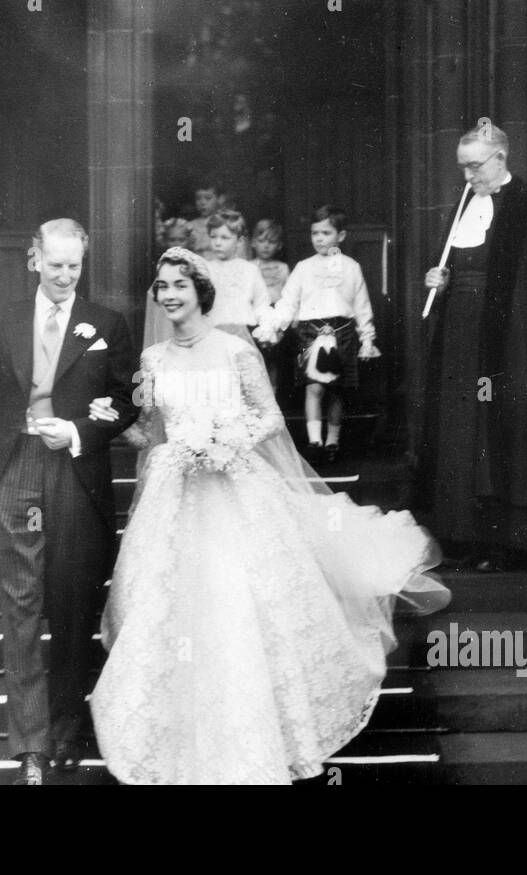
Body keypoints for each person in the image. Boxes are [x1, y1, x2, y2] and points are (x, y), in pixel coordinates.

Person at [87, 247, 449, 784]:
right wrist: (109, 421)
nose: (168, 296)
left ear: (200, 293)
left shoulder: (235, 351)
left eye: (178, 286)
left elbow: (268, 418)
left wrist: (227, 440)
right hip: (173, 497)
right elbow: (150, 430)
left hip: (233, 490)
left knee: (239, 603)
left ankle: (257, 734)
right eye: (161, 287)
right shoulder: (153, 360)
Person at [0, 218, 137, 785]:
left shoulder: (106, 324)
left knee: (69, 606)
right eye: (55, 264)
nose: (65, 276)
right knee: (19, 609)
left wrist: (82, 429)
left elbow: (125, 404)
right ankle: (30, 747)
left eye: (75, 266)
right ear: (34, 258)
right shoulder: (3, 321)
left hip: (74, 472)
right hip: (15, 469)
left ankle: (65, 731)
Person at [416, 122, 527, 572]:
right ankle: (463, 535)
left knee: (502, 433)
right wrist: (438, 282)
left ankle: (507, 543)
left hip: (508, 341)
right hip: (460, 342)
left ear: (501, 158)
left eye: (475, 166)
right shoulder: (464, 204)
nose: (468, 176)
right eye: (462, 167)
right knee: (462, 433)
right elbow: (456, 264)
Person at [271, 205, 380, 464]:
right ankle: (314, 441)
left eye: (326, 232)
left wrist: (367, 338)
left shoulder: (351, 267)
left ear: (340, 236)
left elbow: (361, 305)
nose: (319, 238)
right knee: (314, 387)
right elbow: (288, 301)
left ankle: (332, 441)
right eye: (314, 233)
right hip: (311, 331)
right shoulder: (303, 267)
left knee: (337, 390)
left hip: (342, 331)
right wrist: (276, 324)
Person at [201, 209, 271, 341]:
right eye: (213, 236)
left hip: (243, 334)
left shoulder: (250, 270)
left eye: (224, 238)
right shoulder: (205, 269)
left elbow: (261, 304)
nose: (217, 242)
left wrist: (265, 326)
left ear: (239, 241)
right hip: (211, 334)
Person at [250, 219, 291, 393]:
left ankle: (273, 395)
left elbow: (288, 294)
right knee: (255, 358)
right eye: (262, 241)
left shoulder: (283, 268)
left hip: (276, 316)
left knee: (274, 359)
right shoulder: (249, 267)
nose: (266, 246)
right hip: (255, 317)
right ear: (253, 242)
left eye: (272, 242)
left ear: (279, 245)